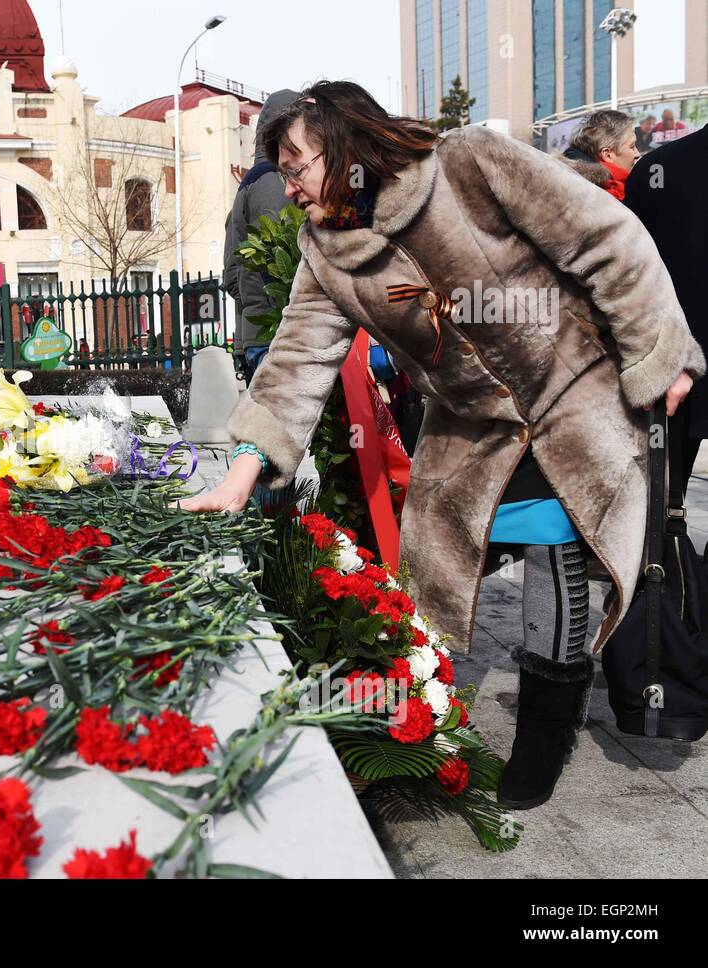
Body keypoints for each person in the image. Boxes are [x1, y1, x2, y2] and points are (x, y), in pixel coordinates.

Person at [180, 81, 703, 809]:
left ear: (341, 146)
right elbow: (297, 360)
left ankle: (543, 738)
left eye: (296, 167)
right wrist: (243, 470)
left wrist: (660, 352)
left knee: (557, 549)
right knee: (429, 566)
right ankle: (422, 723)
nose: (289, 187)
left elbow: (604, 237)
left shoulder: (472, 163)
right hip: (470, 422)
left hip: (570, 392)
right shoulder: (325, 250)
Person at [626, 127, 708, 505]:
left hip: (670, 359)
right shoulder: (654, 169)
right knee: (659, 511)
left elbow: (628, 275)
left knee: (661, 511)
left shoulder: (655, 168)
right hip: (672, 364)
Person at [223, 89, 301, 384]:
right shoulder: (274, 181)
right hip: (277, 336)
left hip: (260, 337)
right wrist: (264, 306)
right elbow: (282, 258)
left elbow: (232, 273)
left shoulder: (251, 181)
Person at [557, 109, 637, 200]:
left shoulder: (576, 188)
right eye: (632, 146)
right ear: (607, 155)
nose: (637, 154)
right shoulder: (590, 197)